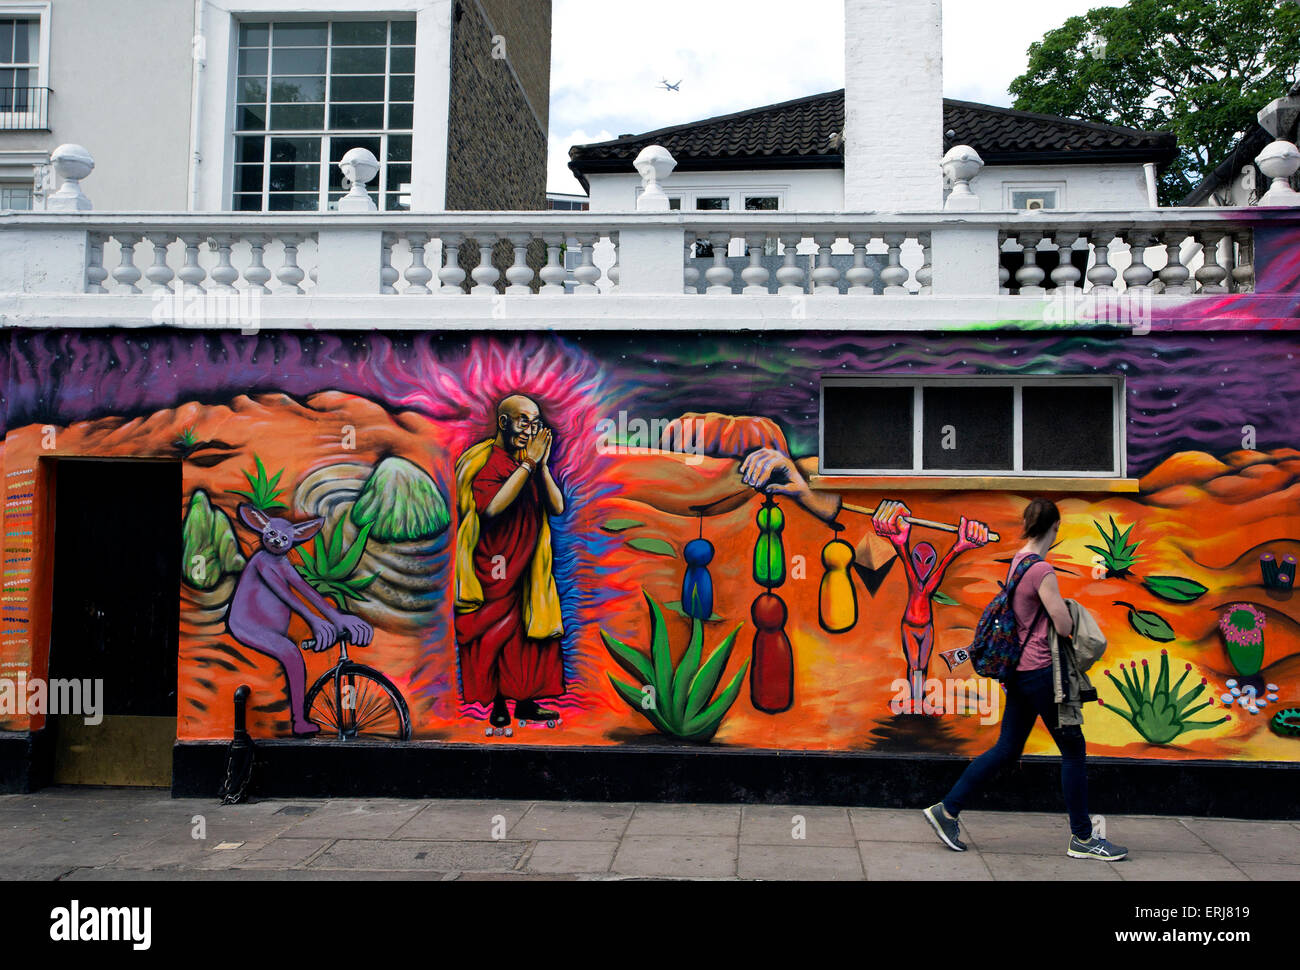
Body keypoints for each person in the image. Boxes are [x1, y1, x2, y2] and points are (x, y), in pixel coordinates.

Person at [922, 498, 1128, 861]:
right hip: (1041, 673)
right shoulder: (1042, 570)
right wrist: (1071, 609)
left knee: (1007, 749)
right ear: (1054, 528)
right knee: (1074, 751)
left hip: (1019, 672)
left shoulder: (1019, 560)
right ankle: (1082, 837)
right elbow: (1063, 626)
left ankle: (947, 810)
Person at [454, 395, 566, 728]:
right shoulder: (486, 461)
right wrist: (528, 465)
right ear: (504, 422)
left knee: (529, 632)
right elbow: (491, 508)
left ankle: (527, 701)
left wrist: (541, 466)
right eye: (523, 421)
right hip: (496, 564)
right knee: (497, 634)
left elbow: (557, 507)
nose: (529, 430)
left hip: (529, 564)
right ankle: (498, 703)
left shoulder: (527, 462)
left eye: (534, 423)